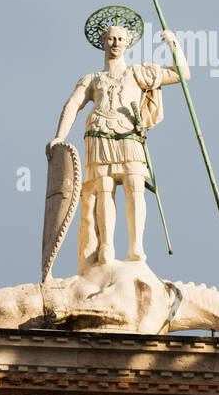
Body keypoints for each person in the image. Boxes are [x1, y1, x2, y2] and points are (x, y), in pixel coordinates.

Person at [47, 22, 189, 269]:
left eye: (120, 39)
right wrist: (59, 137)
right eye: (111, 39)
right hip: (99, 133)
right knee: (103, 188)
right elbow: (72, 105)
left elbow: (181, 74)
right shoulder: (92, 78)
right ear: (103, 42)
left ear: (127, 43)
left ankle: (136, 246)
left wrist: (173, 44)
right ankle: (106, 246)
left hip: (129, 133)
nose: (115, 43)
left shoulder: (138, 72)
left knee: (135, 185)